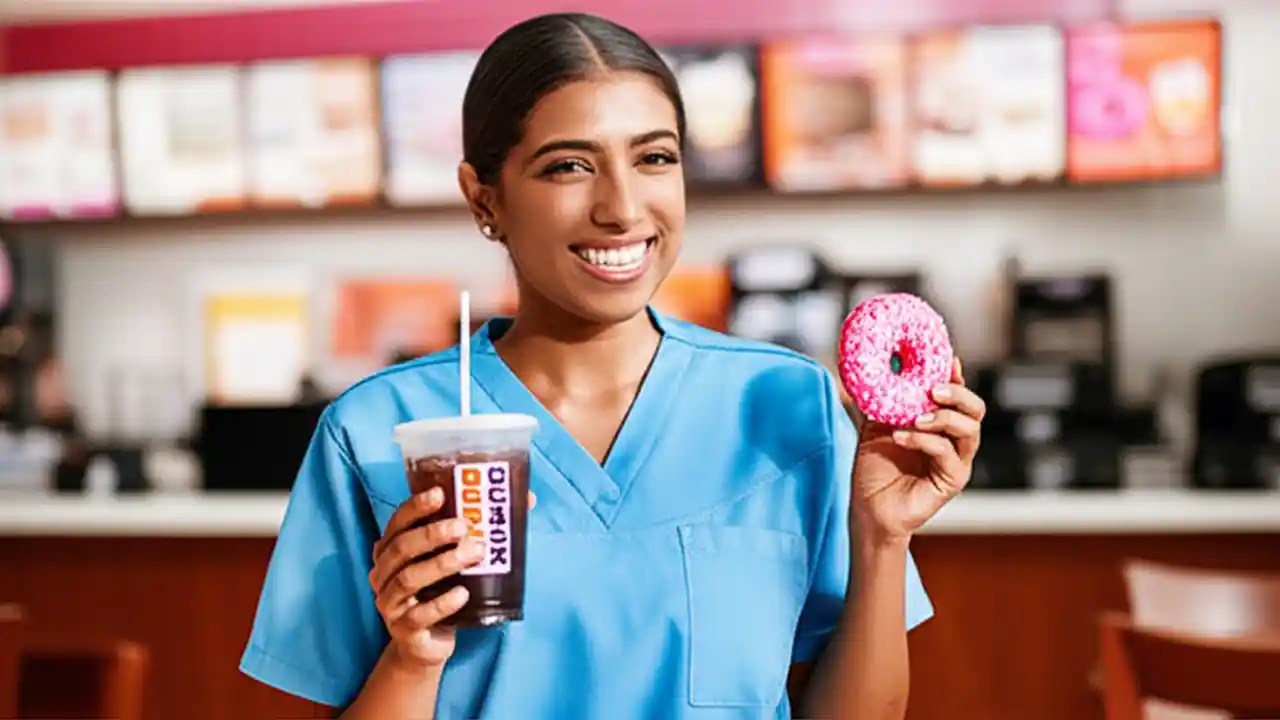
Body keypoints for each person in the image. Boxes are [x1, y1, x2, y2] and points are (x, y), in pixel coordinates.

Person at [239, 12, 985, 720]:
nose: (623, 208)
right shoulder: (374, 432)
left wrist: (884, 538)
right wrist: (413, 657)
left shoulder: (789, 404)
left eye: (654, 158)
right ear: (483, 198)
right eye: (568, 167)